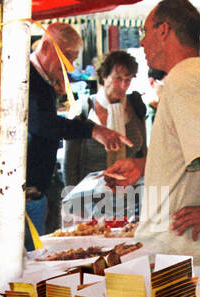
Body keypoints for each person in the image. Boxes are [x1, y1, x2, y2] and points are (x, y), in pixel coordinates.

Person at [104, 0, 200, 297]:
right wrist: (143, 166)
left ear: (164, 30)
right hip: (198, 245)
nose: (141, 42)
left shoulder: (183, 80)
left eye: (144, 31)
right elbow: (192, 150)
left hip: (191, 245)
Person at [26, 23, 129, 243]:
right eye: (68, 58)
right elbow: (43, 124)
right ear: (46, 47)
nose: (71, 67)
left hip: (38, 191)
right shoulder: (27, 77)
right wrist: (93, 129)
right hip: (26, 194)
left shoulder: (41, 79)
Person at [64, 49, 147, 190]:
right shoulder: (83, 110)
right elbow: (70, 165)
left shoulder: (136, 106)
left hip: (129, 194)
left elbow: (143, 154)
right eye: (118, 78)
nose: (123, 86)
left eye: (128, 80)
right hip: (92, 195)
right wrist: (74, 202)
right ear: (104, 76)